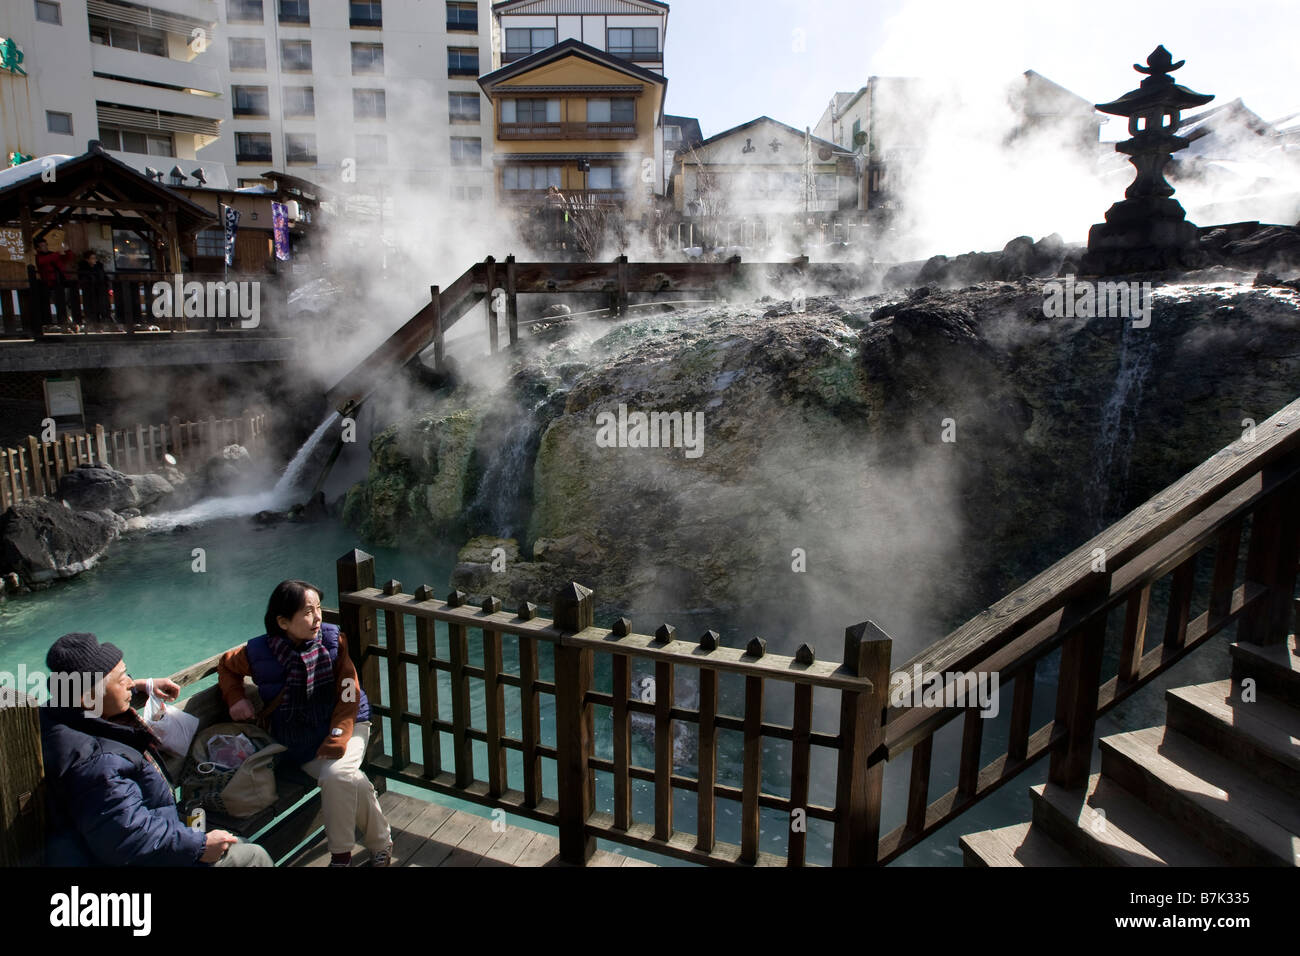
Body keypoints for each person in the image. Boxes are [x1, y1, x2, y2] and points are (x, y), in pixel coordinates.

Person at [39, 632, 273, 867]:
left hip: (153, 837)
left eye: (128, 674)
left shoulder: (63, 716)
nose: (130, 682)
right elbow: (128, 838)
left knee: (239, 843)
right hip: (146, 856)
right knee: (254, 857)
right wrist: (199, 845)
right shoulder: (97, 764)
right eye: (122, 679)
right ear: (89, 698)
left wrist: (140, 685)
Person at [219, 580, 393, 867]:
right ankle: (382, 843)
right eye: (308, 612)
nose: (318, 618)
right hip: (301, 740)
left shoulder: (332, 640)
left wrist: (338, 736)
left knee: (337, 776)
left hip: (349, 722)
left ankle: (340, 858)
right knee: (353, 780)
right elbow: (226, 665)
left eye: (318, 609)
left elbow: (349, 693)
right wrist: (236, 698)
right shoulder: (260, 653)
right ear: (283, 621)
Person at [76, 250, 111, 331]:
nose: (94, 260)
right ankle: (93, 325)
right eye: (92, 258)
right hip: (89, 292)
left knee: (102, 307)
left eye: (95, 258)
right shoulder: (83, 268)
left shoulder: (99, 267)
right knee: (91, 308)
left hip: (100, 291)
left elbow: (104, 277)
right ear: (87, 260)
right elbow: (82, 279)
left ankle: (103, 324)